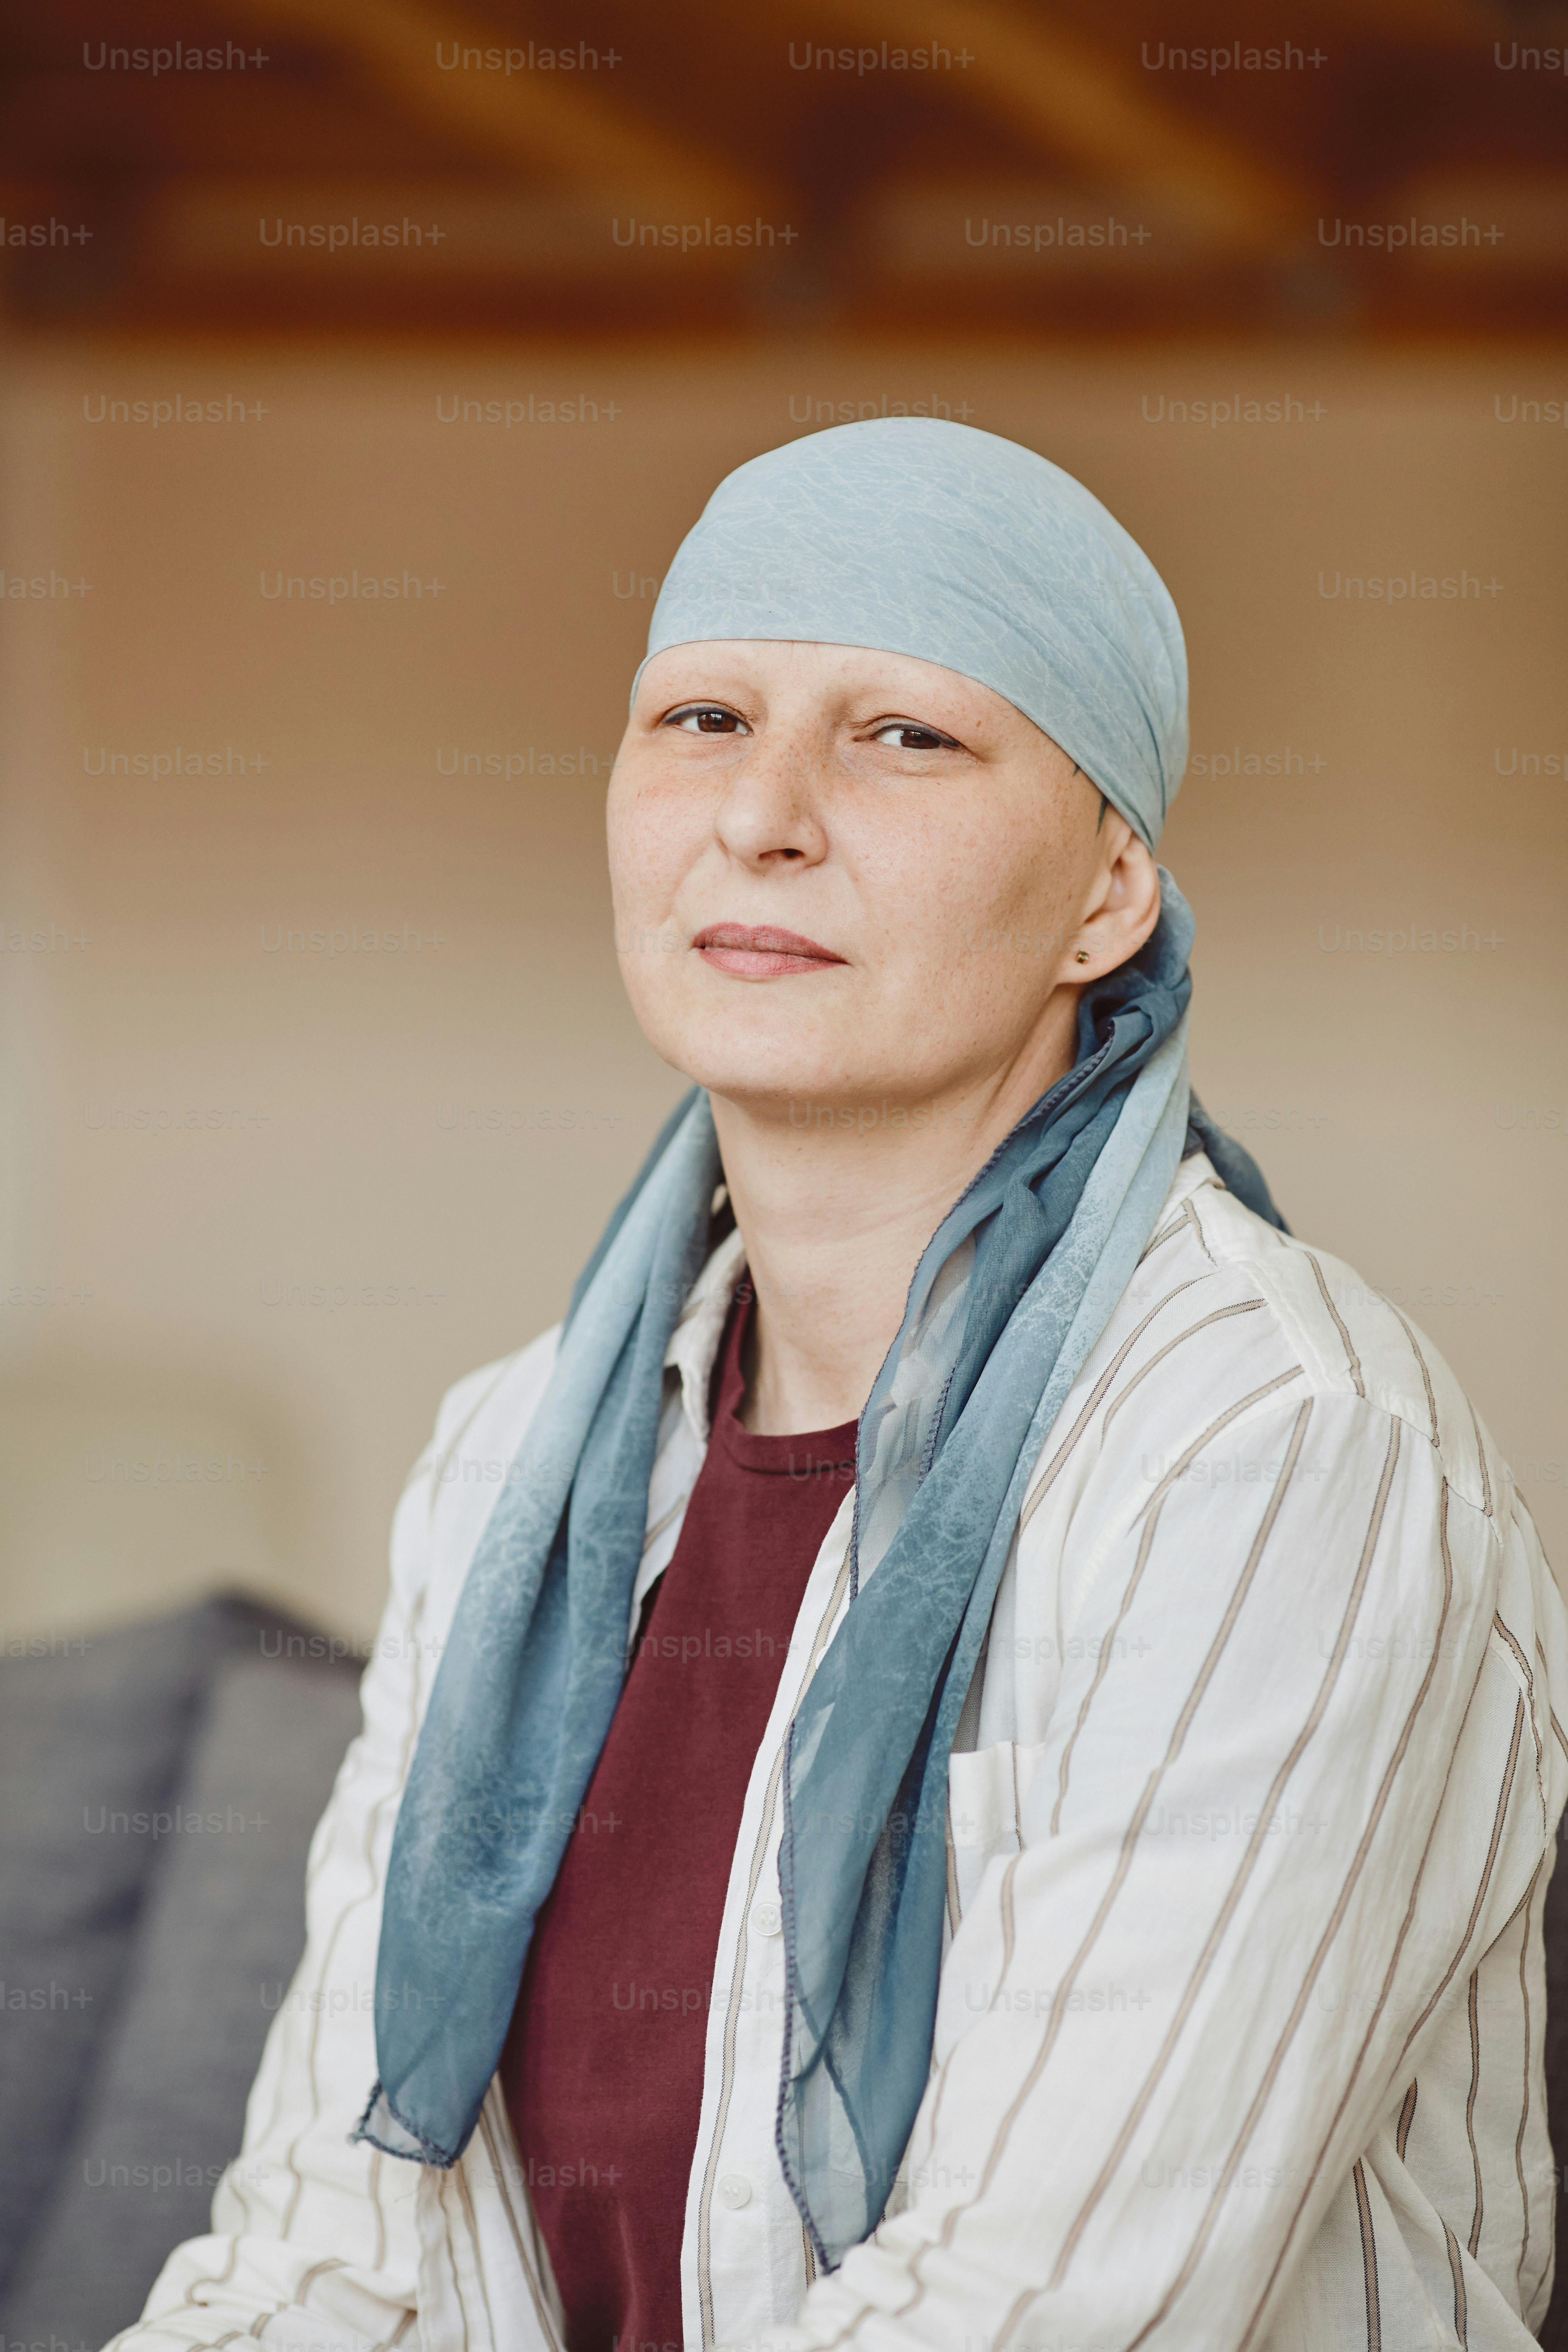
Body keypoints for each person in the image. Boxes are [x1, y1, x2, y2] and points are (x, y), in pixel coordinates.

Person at [108, 420, 1565, 2352]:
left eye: (906, 736)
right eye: (702, 719)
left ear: (1107, 894)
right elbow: (334, 2256)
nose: (763, 815)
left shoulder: (1276, 1457)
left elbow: (1034, 2316)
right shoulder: (509, 1462)